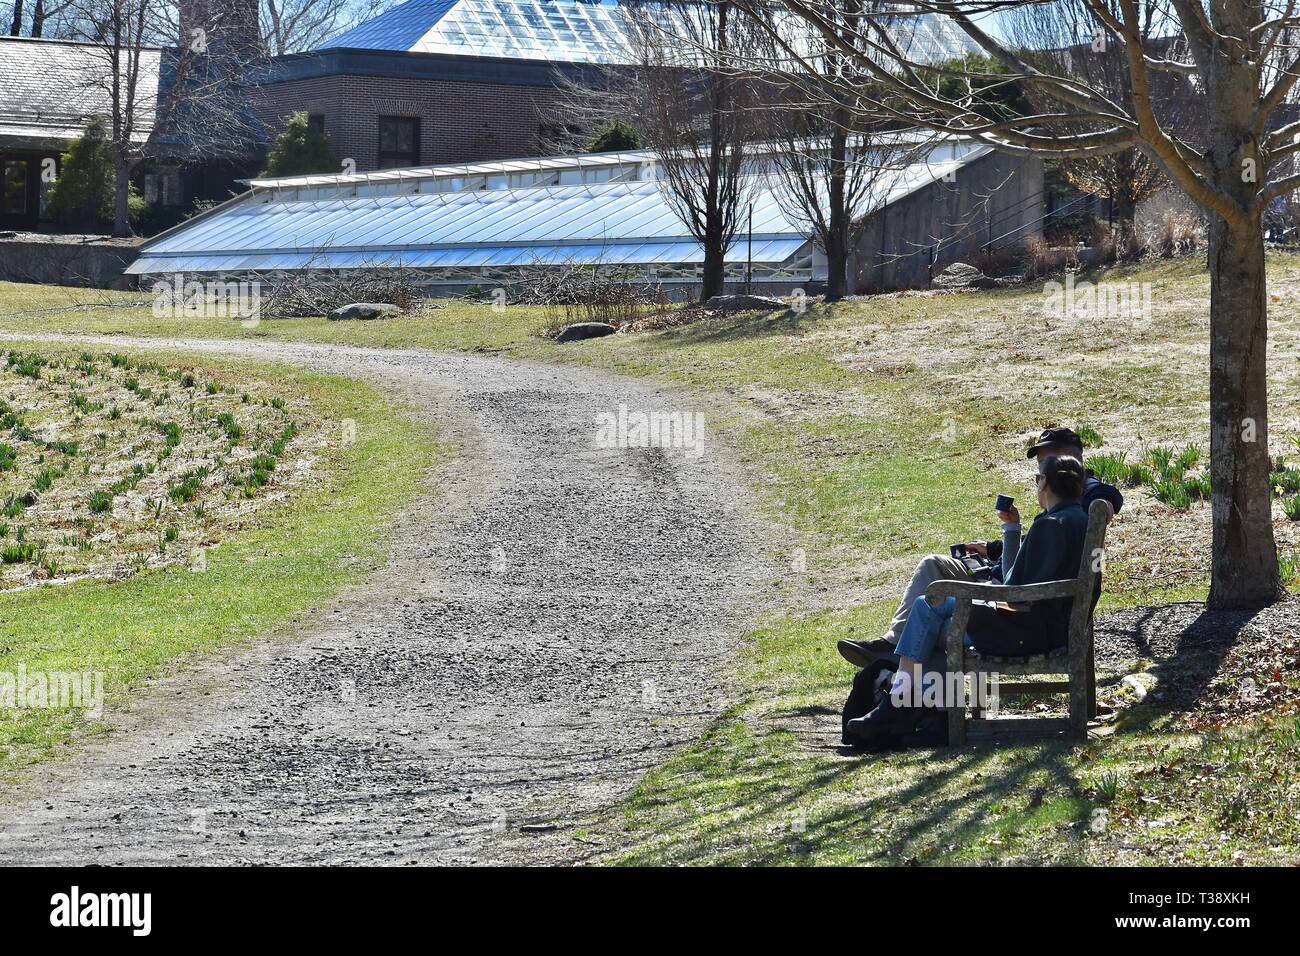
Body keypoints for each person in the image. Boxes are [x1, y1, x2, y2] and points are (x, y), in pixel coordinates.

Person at [845, 453, 1092, 744]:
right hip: (1049, 627)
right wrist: (1012, 531)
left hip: (1028, 633)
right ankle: (929, 716)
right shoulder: (1080, 520)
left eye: (1038, 479)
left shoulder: (1050, 525)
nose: (1037, 485)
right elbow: (1022, 586)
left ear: (1045, 483)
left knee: (929, 604)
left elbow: (1012, 591)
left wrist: (975, 593)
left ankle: (898, 703)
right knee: (934, 626)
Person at [836, 426, 1122, 669]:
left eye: (1045, 467)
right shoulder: (1070, 518)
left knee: (930, 607)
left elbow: (1015, 591)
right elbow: (1041, 557)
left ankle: (904, 701)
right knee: (932, 568)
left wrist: (1011, 532)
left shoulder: (1074, 505)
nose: (1041, 470)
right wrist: (996, 547)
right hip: (1034, 609)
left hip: (1023, 620)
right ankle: (901, 684)